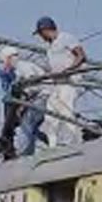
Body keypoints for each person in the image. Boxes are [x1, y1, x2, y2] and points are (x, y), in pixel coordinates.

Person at [0, 47, 48, 161]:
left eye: (4, 61)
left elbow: (32, 84)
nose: (4, 65)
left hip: (40, 98)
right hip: (35, 99)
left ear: (9, 58)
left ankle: (24, 154)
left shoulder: (22, 67)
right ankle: (42, 143)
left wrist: (22, 100)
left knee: (27, 125)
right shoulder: (19, 69)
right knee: (31, 127)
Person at [34, 16, 86, 146]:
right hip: (57, 83)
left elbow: (81, 56)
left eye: (41, 34)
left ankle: (70, 142)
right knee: (51, 115)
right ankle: (53, 144)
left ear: (45, 30)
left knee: (66, 112)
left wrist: (69, 70)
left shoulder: (66, 38)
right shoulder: (50, 47)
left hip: (69, 82)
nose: (41, 37)